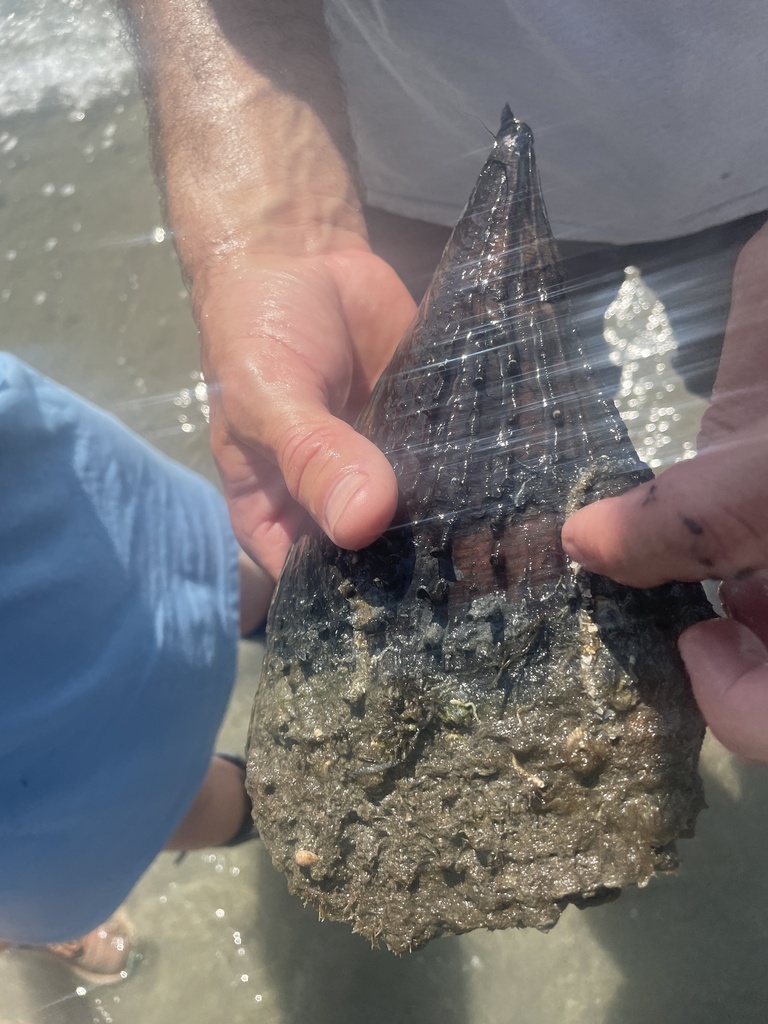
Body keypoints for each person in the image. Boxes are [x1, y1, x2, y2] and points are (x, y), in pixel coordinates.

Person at [117, 2, 768, 760]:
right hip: (395, 167)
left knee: (738, 461)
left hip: (753, 167)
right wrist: (274, 231)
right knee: (416, 496)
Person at [0, 352, 273, 983]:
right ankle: (339, 629)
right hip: (84, 540)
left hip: (41, 823)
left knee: (169, 808)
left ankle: (305, 808)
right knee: (218, 578)